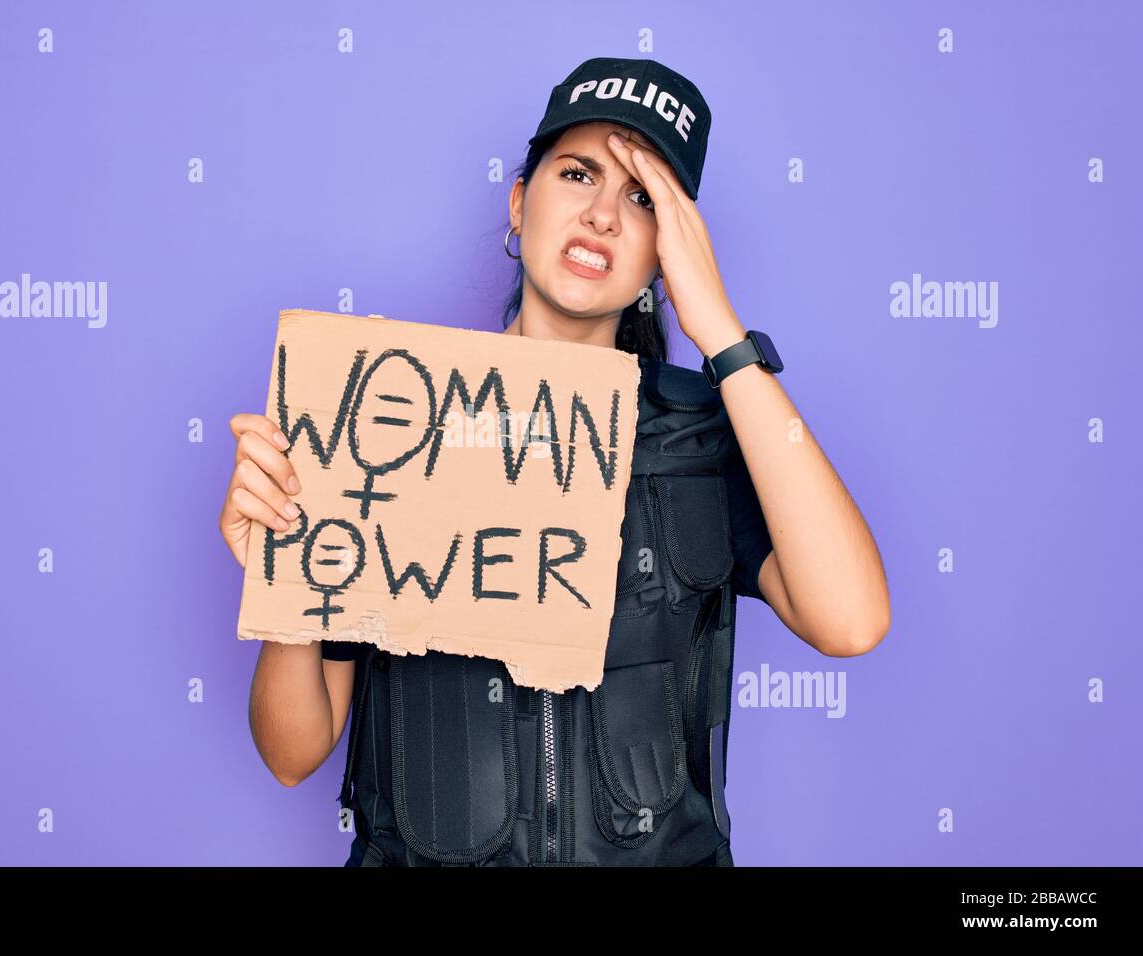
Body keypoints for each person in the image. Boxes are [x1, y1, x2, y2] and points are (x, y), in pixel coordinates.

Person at [219, 57, 890, 866]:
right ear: (519, 201)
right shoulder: (385, 417)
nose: (604, 214)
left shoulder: (706, 436)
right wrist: (286, 568)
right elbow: (292, 754)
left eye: (644, 199)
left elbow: (851, 621)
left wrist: (718, 328)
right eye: (578, 174)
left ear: (668, 250)